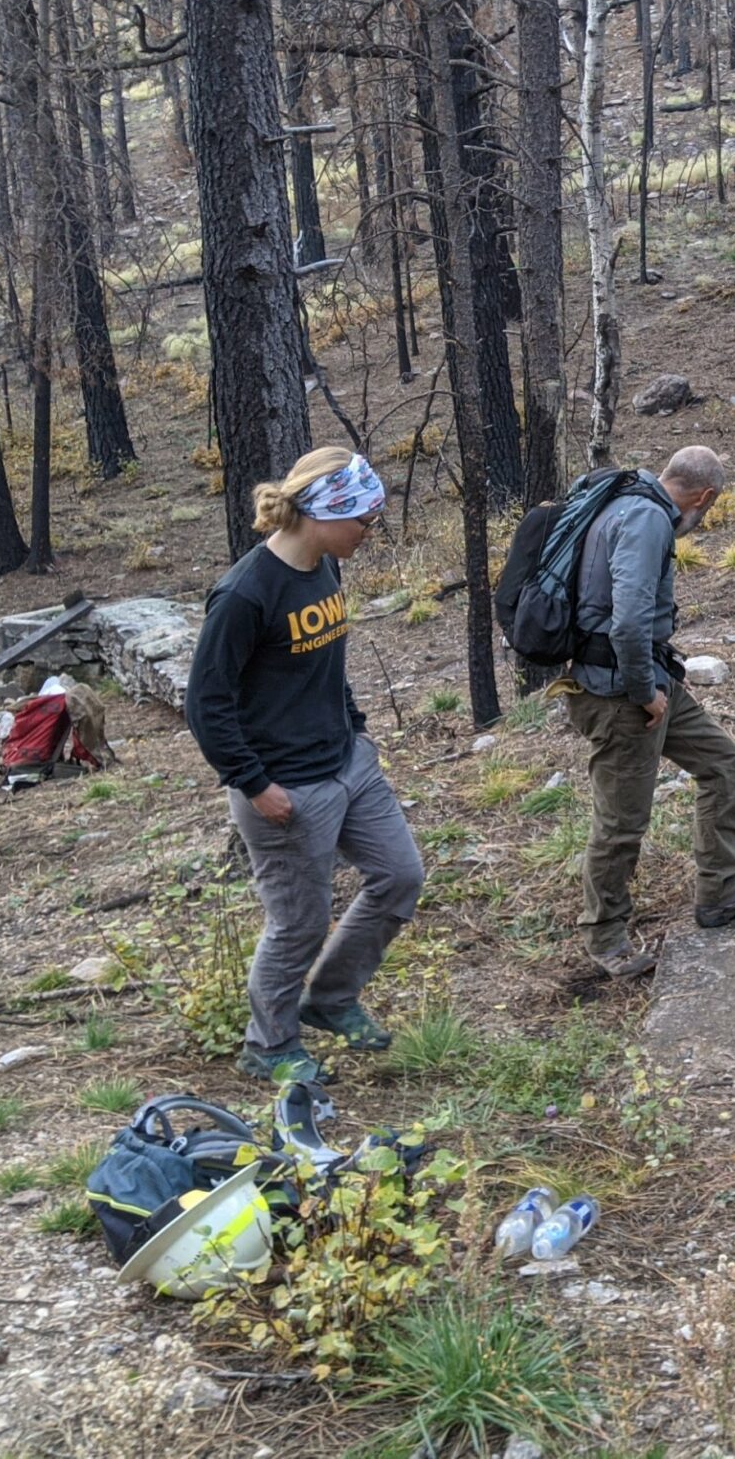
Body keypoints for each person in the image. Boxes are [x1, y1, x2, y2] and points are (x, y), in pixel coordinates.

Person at [185, 448, 424, 1085]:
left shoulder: (323, 567)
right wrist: (255, 784)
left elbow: (327, 663)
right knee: (299, 922)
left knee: (399, 877)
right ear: (325, 514)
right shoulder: (244, 594)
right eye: (364, 522)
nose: (368, 535)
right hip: (285, 785)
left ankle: (331, 999)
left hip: (348, 763)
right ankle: (269, 1044)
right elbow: (205, 702)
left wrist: (359, 732)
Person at [565, 445, 735, 976]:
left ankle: (720, 893)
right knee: (621, 821)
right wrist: (644, 693)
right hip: (620, 692)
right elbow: (630, 622)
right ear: (704, 497)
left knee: (722, 762)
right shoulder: (647, 520)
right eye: (707, 510)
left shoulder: (629, 501)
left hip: (648, 676)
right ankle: (606, 939)